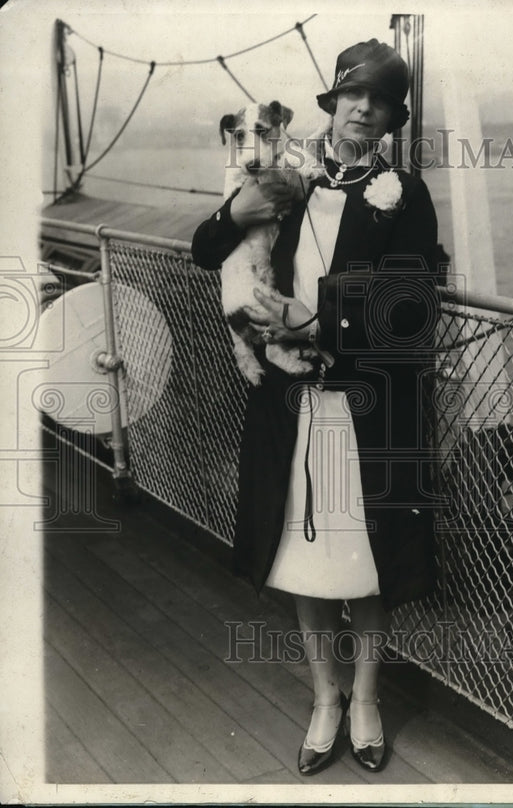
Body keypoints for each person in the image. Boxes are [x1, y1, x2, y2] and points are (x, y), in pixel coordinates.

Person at [192, 38, 439, 775]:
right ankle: (324, 698)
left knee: (362, 562)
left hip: (366, 410)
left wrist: (314, 321)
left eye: (382, 100)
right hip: (292, 403)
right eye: (353, 95)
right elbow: (208, 251)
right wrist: (238, 205)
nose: (366, 109)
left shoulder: (406, 195)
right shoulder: (284, 177)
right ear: (334, 103)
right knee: (302, 559)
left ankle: (365, 699)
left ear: (394, 116)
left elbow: (410, 309)